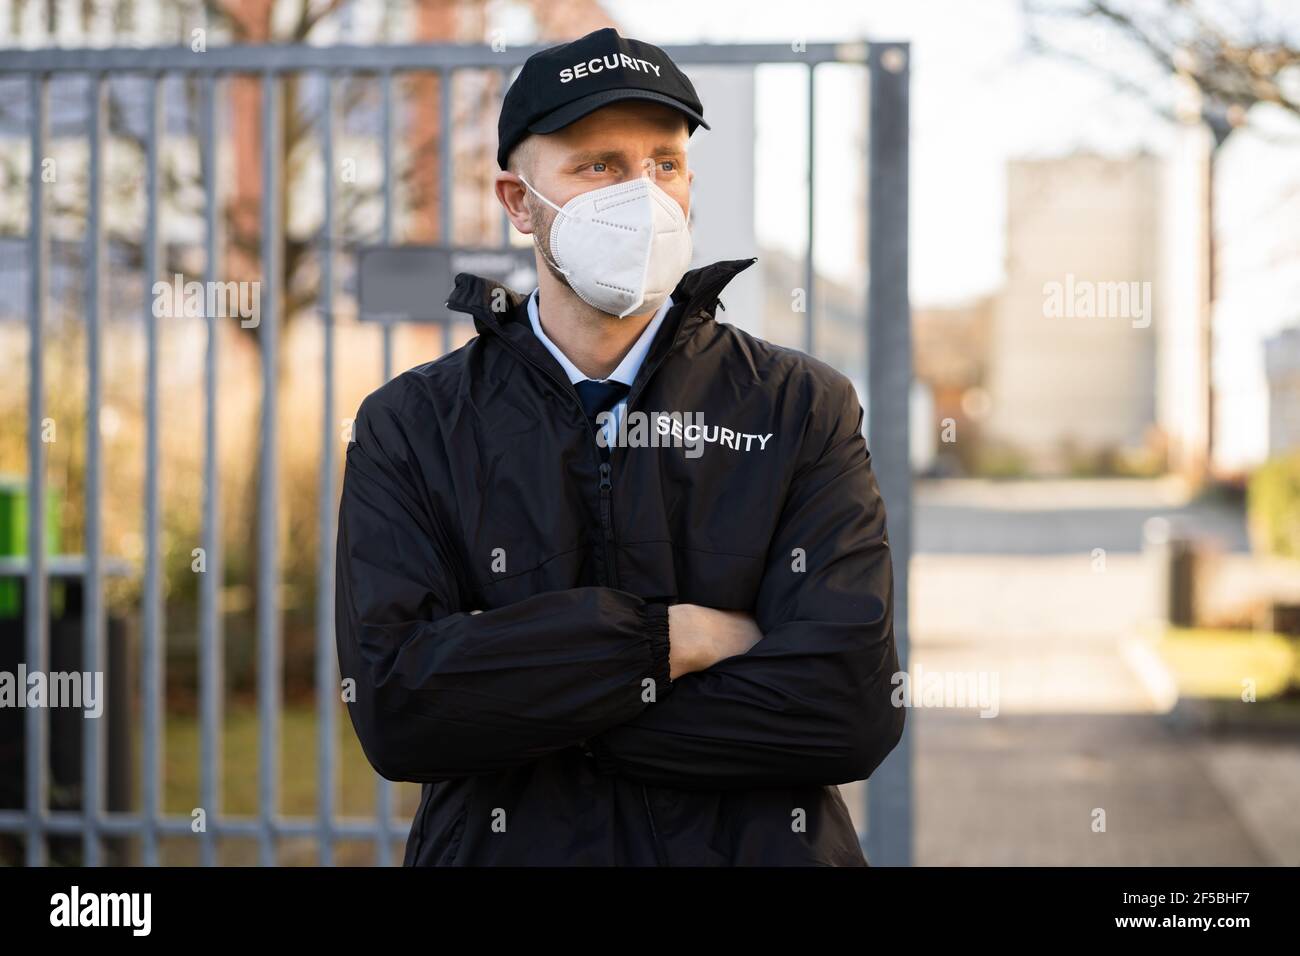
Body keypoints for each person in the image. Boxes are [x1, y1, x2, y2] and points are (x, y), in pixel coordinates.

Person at [335, 26, 904, 866]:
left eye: (664, 163)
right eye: (598, 165)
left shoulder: (799, 406)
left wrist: (541, 710)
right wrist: (667, 642)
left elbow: (846, 707)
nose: (640, 192)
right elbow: (399, 711)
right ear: (519, 200)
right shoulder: (412, 425)